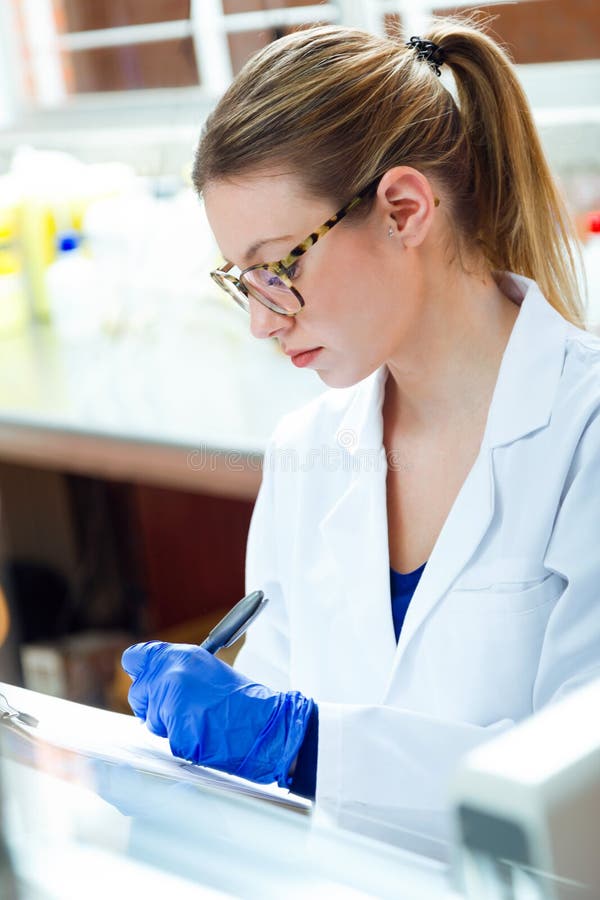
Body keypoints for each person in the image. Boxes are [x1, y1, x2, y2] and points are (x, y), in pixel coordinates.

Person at [121, 17, 600, 857]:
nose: (262, 322)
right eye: (244, 281)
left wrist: (304, 746)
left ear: (404, 210)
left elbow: (580, 797)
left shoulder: (582, 431)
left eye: (281, 268)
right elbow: (273, 761)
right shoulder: (306, 450)